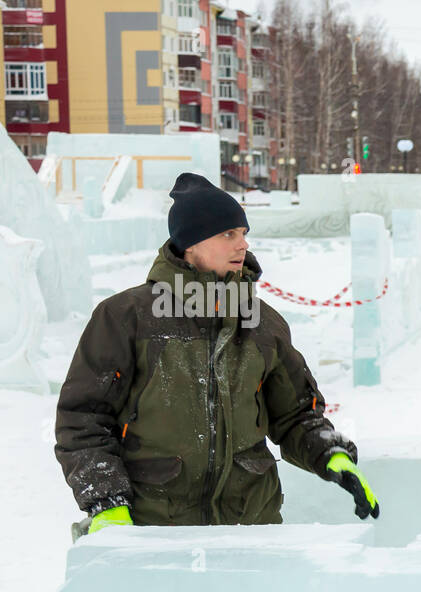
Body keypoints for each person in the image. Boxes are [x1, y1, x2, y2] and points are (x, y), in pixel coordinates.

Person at [55, 172, 379, 535]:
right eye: (228, 234)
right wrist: (106, 503)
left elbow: (295, 413)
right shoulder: (126, 317)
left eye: (243, 234)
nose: (242, 245)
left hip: (250, 525)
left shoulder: (262, 323)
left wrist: (331, 454)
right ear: (190, 243)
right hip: (152, 530)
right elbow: (83, 419)